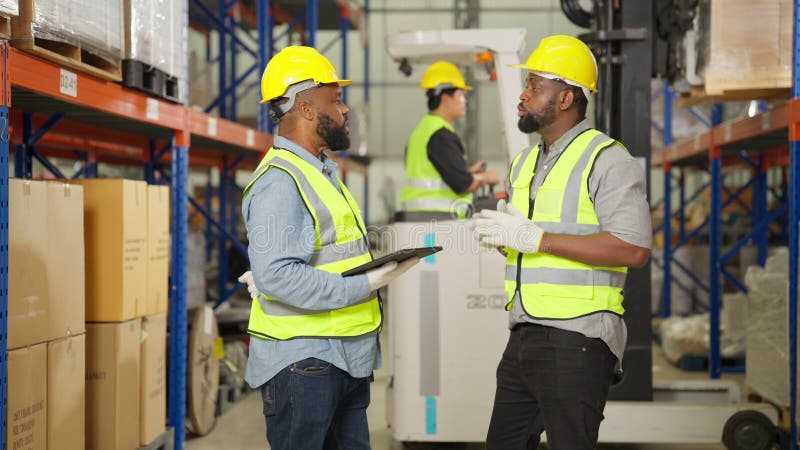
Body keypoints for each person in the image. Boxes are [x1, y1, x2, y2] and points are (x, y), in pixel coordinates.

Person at [471, 35, 652, 450]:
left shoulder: (607, 159)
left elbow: (633, 249)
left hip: (578, 340)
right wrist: (505, 238)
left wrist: (535, 238)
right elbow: (530, 246)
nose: (523, 95)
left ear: (567, 97)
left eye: (535, 86)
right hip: (524, 334)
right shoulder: (525, 163)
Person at [237, 46, 419, 450]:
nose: (345, 110)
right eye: (335, 100)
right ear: (304, 109)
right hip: (305, 366)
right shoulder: (280, 182)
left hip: (343, 359)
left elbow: (328, 252)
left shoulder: (320, 172)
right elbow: (278, 275)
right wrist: (366, 284)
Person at [400, 60, 499, 217]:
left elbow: (436, 173)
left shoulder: (422, 131)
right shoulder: (441, 135)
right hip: (438, 218)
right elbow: (463, 185)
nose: (465, 101)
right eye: (460, 95)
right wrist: (486, 177)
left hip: (422, 215)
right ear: (445, 99)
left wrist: (466, 172)